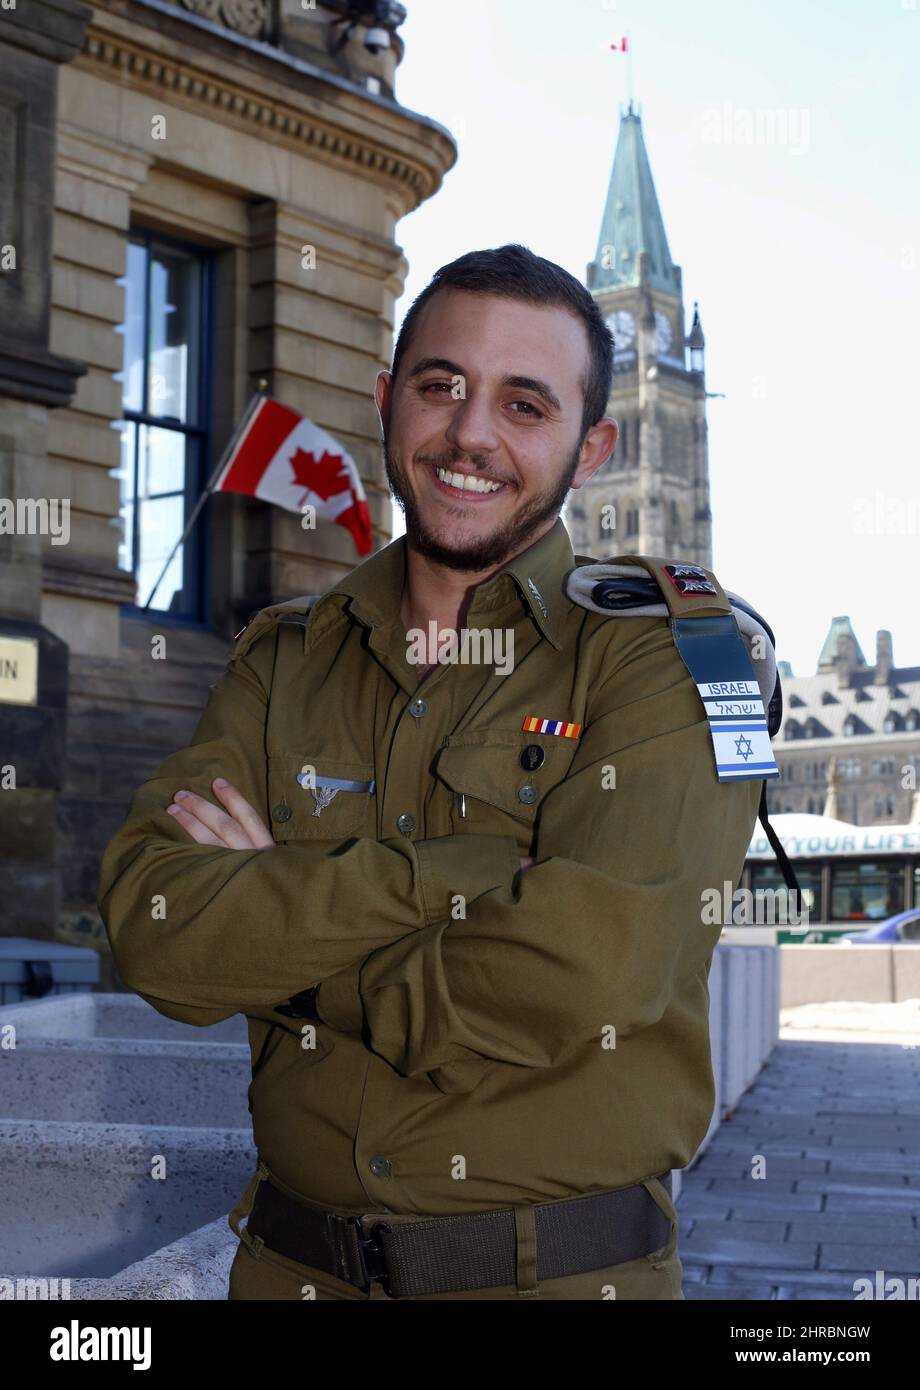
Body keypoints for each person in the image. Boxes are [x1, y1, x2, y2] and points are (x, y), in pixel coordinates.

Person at [97, 244, 764, 1301]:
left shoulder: (675, 653)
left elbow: (589, 970)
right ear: (385, 400)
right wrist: (468, 875)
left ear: (591, 445)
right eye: (440, 386)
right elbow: (152, 920)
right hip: (285, 1273)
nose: (469, 434)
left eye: (522, 404)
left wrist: (292, 954)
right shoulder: (281, 655)